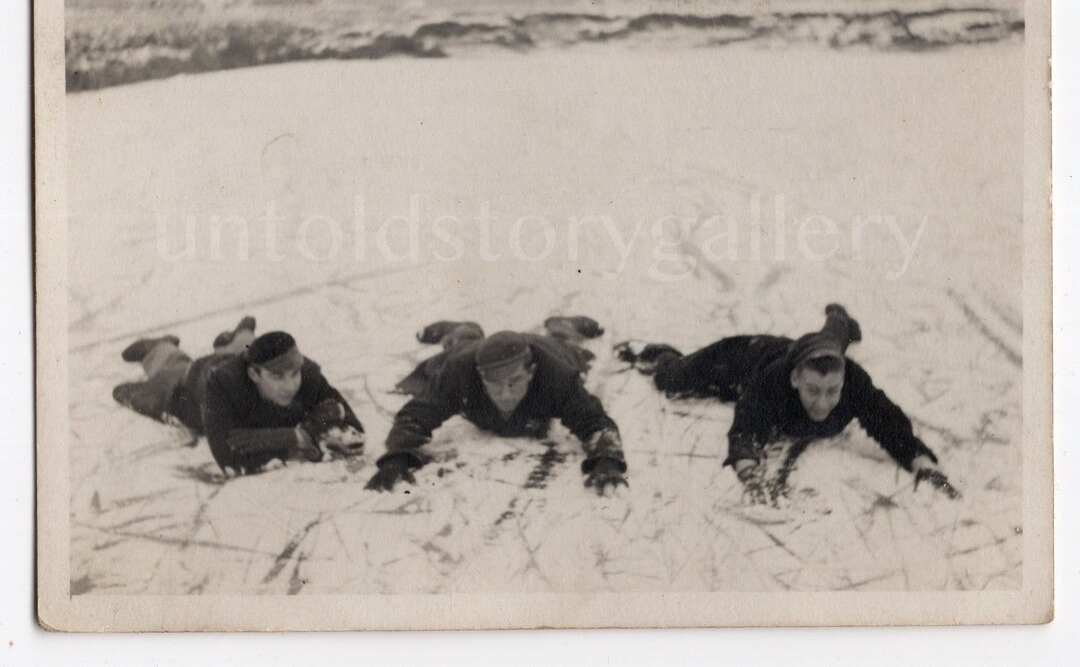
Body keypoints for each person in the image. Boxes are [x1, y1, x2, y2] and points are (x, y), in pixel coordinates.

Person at [615, 304, 959, 503]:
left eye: (831, 391)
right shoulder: (773, 383)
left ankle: (839, 320)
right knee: (670, 381)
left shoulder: (853, 381)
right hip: (746, 357)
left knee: (831, 341)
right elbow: (747, 424)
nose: (823, 403)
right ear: (796, 380)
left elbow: (888, 422)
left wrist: (920, 460)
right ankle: (663, 356)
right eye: (813, 391)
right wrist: (749, 470)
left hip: (813, 350)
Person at [366, 318, 628, 496]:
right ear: (480, 377)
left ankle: (562, 325)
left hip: (551, 348)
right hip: (468, 353)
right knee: (445, 360)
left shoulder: (556, 375)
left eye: (515, 382)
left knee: (570, 349)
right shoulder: (459, 371)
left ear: (532, 372)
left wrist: (606, 462)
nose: (505, 393)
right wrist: (398, 459)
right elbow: (416, 414)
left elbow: (594, 421)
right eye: (494, 384)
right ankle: (463, 331)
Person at [113, 321, 364, 475]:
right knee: (141, 391)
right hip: (196, 381)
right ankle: (161, 346)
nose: (290, 385)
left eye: (294, 374)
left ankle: (241, 338)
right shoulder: (223, 386)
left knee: (251, 351)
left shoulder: (306, 373)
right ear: (255, 374)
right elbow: (229, 458)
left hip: (242, 360)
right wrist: (304, 435)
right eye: (278, 377)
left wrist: (291, 436)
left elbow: (352, 428)